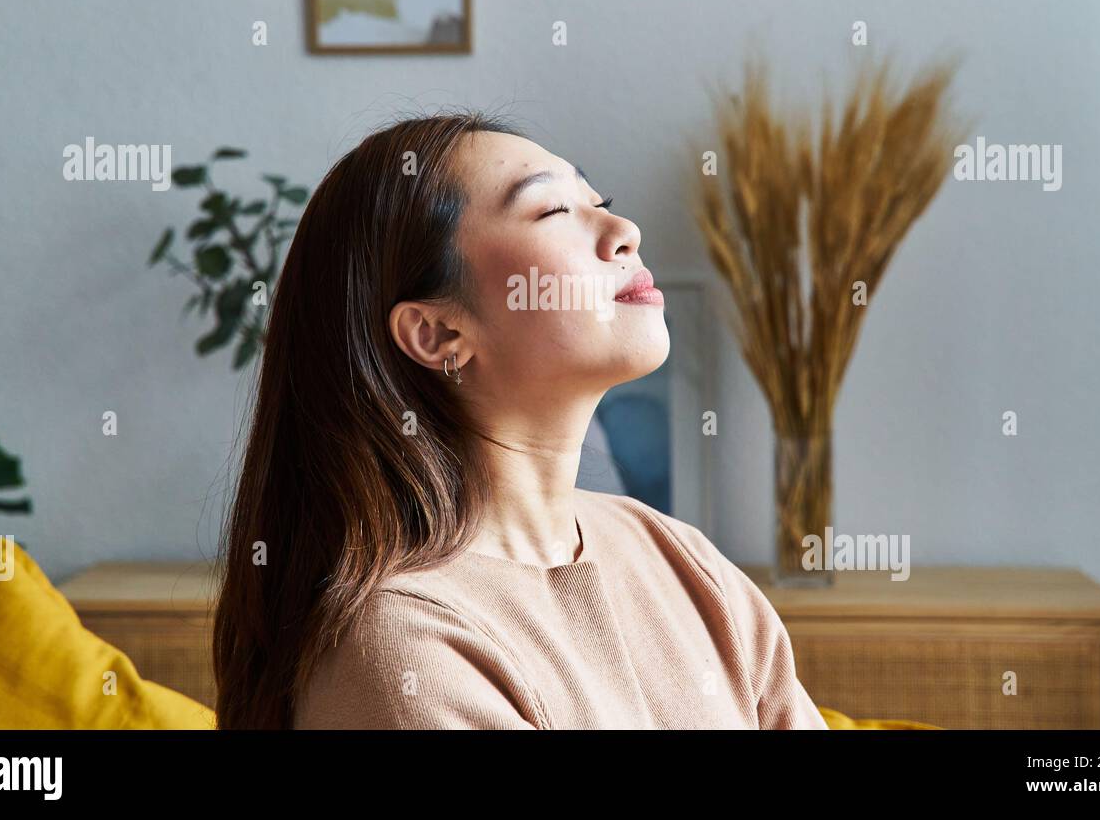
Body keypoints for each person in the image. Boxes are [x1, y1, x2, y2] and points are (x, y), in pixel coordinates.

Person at [211, 110, 827, 730]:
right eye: (553, 211)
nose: (624, 231)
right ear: (436, 332)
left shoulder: (682, 562)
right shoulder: (403, 652)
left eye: (601, 202)